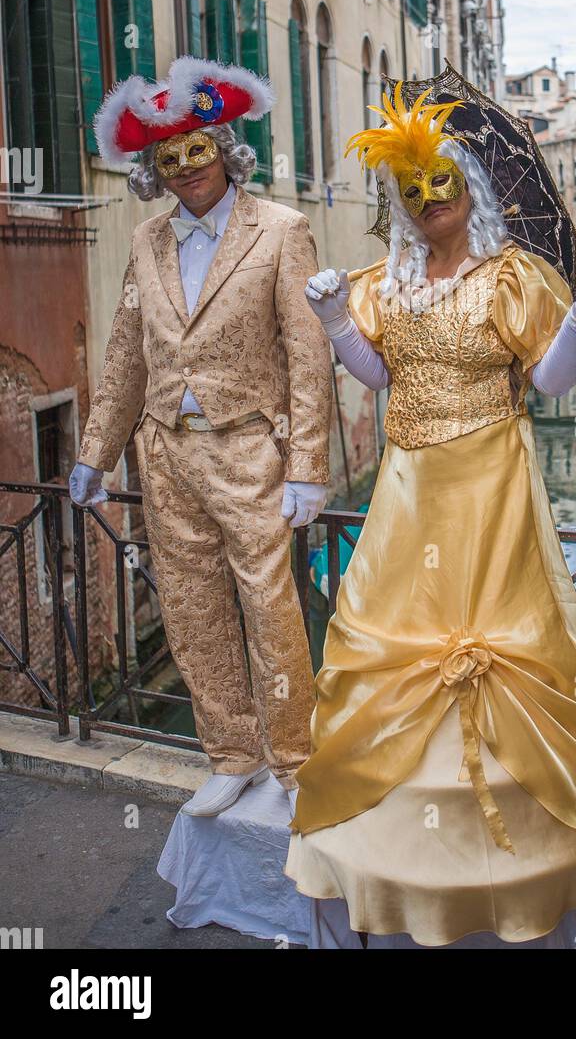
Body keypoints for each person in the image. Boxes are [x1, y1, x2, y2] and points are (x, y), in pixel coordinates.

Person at [284, 77, 576, 949]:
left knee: (513, 634)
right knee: (387, 637)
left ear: (470, 190)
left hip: (493, 486)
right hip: (408, 490)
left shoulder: (514, 278)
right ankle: (395, 853)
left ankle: (531, 862)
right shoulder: (385, 283)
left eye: (441, 186)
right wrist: (340, 318)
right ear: (398, 200)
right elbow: (376, 379)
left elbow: (551, 384)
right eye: (411, 191)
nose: (427, 202)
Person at [68, 59, 332, 817]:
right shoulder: (145, 241)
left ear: (225, 150)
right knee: (189, 605)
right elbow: (124, 354)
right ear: (153, 169)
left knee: (270, 604)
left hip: (250, 448)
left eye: (197, 151)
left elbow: (308, 355)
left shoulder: (282, 230)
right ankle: (232, 753)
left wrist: (308, 465)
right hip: (164, 453)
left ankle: (294, 760)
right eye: (168, 158)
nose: (186, 169)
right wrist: (94, 453)